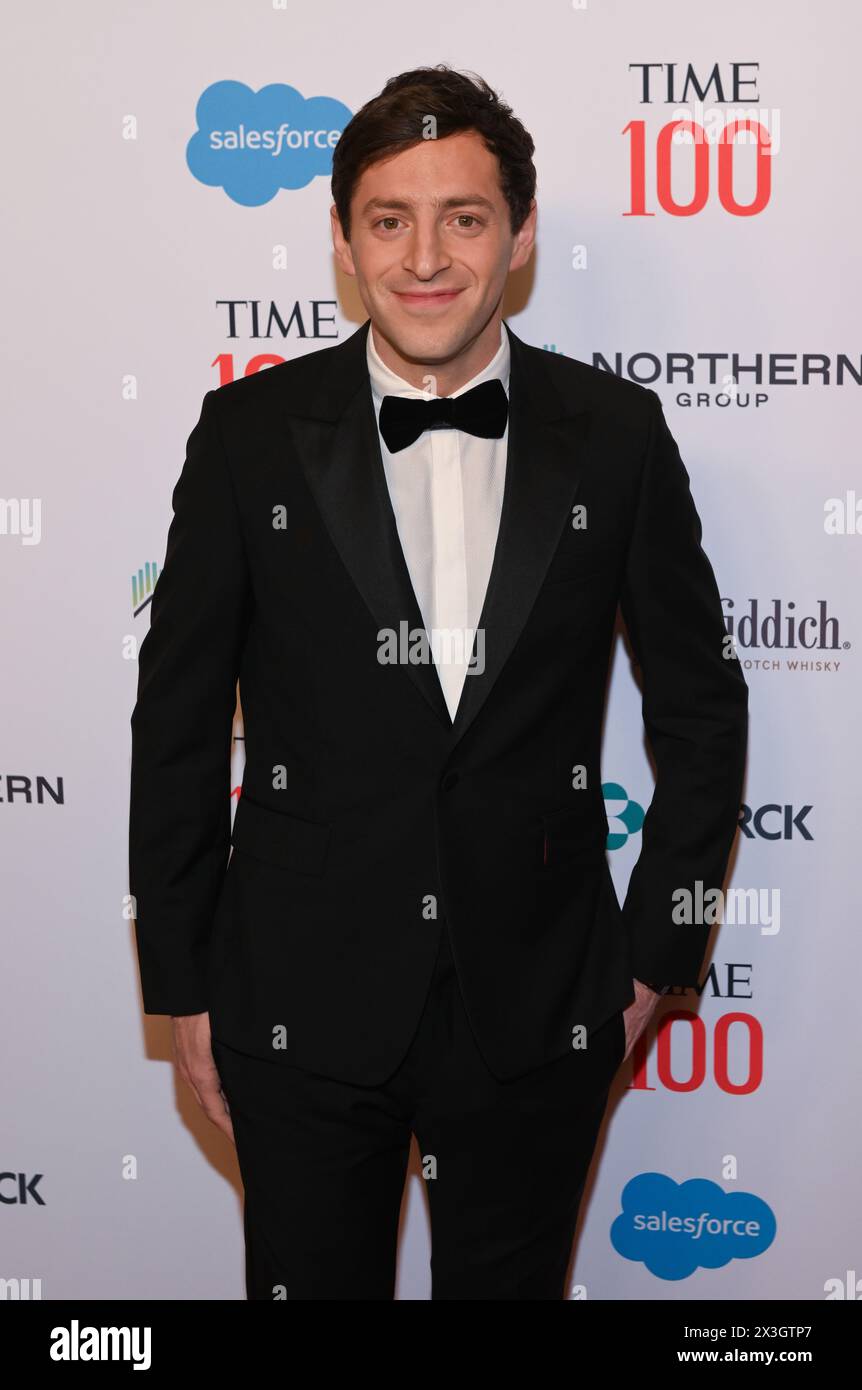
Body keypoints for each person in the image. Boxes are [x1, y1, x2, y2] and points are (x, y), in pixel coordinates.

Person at [129, 64, 748, 1300]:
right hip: (298, 1000)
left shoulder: (616, 436)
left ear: (517, 237)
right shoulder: (247, 437)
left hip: (542, 1001)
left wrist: (650, 962)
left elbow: (701, 706)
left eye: (463, 217)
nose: (426, 256)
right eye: (389, 219)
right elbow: (180, 724)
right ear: (346, 244)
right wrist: (185, 987)